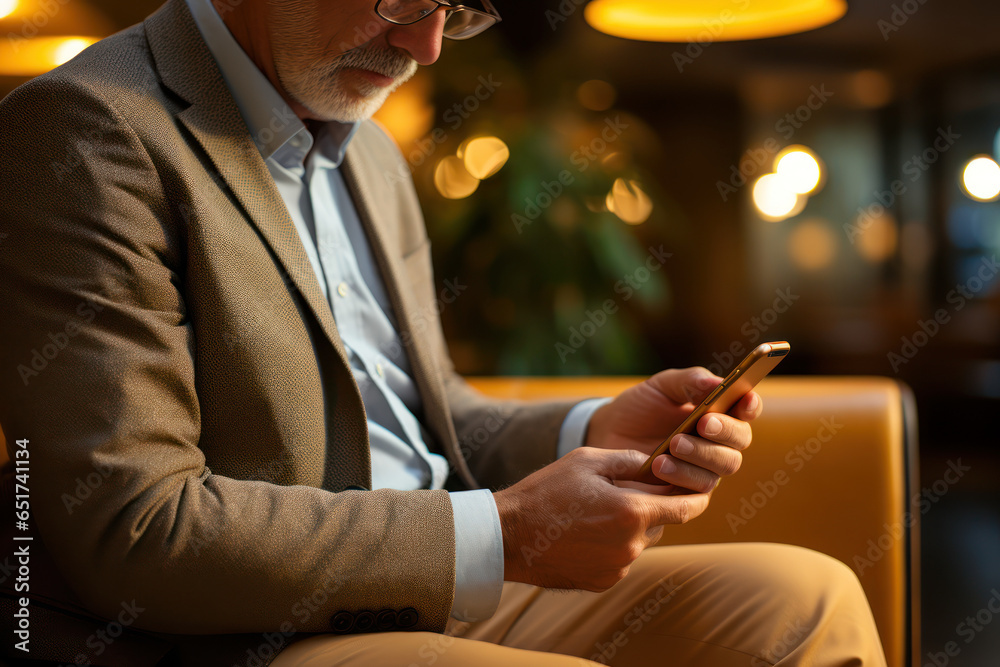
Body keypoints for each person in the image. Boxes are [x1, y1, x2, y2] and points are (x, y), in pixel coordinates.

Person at [0, 0, 889, 664]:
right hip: (238, 632)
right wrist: (503, 532)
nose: (423, 47)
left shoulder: (369, 147)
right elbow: (135, 529)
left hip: (425, 588)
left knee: (809, 600)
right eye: (398, 0)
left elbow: (425, 418)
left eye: (457, 11)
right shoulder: (87, 130)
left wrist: (589, 430)